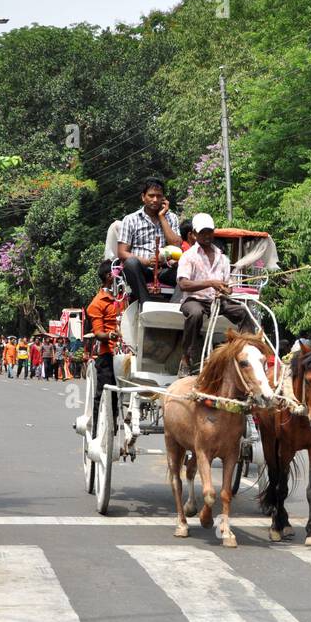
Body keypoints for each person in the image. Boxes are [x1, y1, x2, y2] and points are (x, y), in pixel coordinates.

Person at [174, 212, 252, 377]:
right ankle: (186, 357)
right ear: (194, 234)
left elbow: (228, 286)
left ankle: (246, 351)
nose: (206, 235)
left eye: (209, 231)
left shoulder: (222, 258)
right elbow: (183, 284)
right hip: (194, 299)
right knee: (195, 313)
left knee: (243, 312)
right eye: (202, 232)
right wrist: (211, 283)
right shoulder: (188, 256)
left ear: (213, 232)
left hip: (217, 301)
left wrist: (226, 290)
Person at [117, 177, 181, 306]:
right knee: (130, 263)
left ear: (164, 198)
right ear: (143, 197)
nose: (155, 200)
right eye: (151, 196)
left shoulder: (171, 217)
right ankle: (146, 304)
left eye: (159, 196)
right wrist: (146, 261)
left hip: (165, 269)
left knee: (187, 270)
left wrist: (162, 217)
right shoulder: (130, 220)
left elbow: (176, 245)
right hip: (142, 270)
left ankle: (175, 308)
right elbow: (122, 253)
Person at [86, 260, 122, 433]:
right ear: (110, 276)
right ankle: (96, 433)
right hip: (109, 354)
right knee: (105, 394)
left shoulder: (126, 296)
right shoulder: (97, 303)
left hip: (130, 353)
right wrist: (110, 335)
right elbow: (98, 333)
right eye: (118, 272)